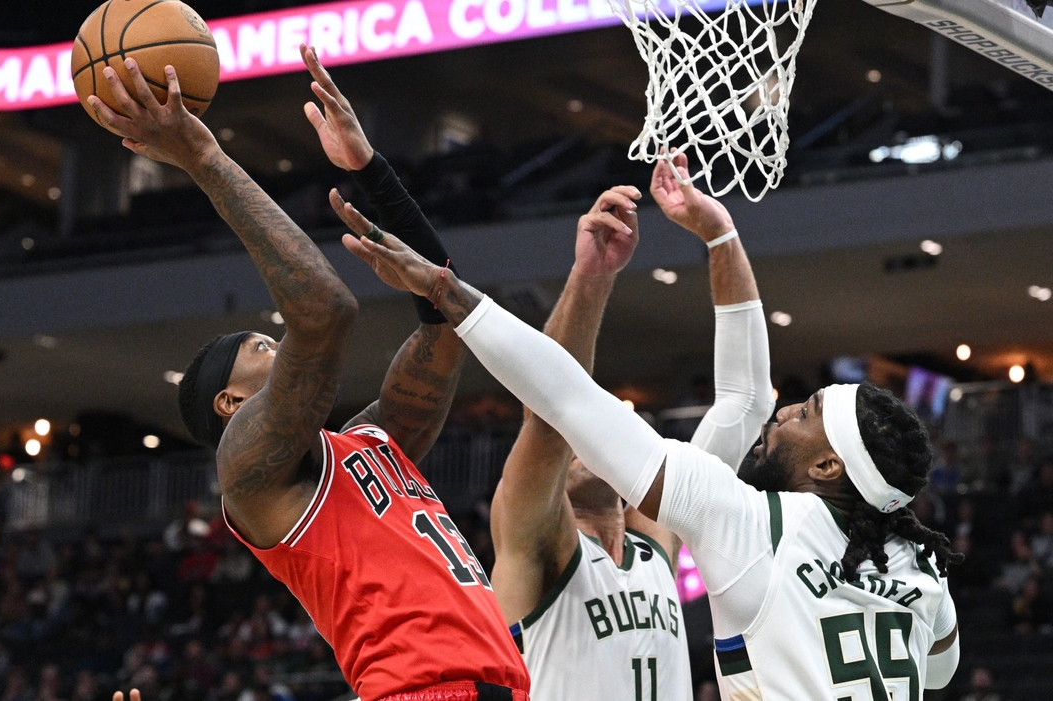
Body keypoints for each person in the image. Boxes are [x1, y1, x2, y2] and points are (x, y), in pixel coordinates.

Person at [335, 155, 963, 699]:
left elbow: (571, 399)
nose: (784, 413)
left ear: (829, 467)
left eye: (805, 414)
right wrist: (718, 236)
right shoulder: (917, 565)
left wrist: (447, 293)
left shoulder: (747, 521)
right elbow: (940, 669)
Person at [89, 47, 528, 701]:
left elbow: (444, 310)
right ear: (230, 401)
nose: (281, 344)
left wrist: (371, 169)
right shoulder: (248, 469)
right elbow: (326, 310)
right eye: (263, 344)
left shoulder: (373, 439)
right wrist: (205, 159)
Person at [489, 163, 772, 700]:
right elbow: (552, 410)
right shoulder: (536, 538)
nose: (580, 437)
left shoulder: (657, 543)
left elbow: (745, 403)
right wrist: (591, 279)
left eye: (595, 426)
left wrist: (721, 235)